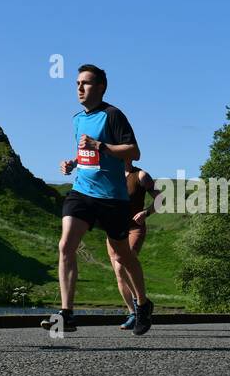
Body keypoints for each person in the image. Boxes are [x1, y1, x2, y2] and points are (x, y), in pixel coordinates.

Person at [41, 65, 152, 335]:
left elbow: (133, 151)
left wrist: (101, 146)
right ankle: (67, 313)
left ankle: (143, 304)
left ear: (101, 87)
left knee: (123, 256)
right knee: (66, 244)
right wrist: (73, 162)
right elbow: (86, 153)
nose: (80, 88)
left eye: (86, 83)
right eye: (77, 83)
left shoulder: (113, 115)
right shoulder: (77, 119)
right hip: (81, 191)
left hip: (112, 198)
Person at [112, 160, 163, 330]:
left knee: (121, 265)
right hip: (114, 229)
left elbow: (160, 199)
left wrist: (146, 212)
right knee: (119, 274)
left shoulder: (141, 175)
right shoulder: (110, 175)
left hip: (135, 228)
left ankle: (141, 305)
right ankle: (134, 312)